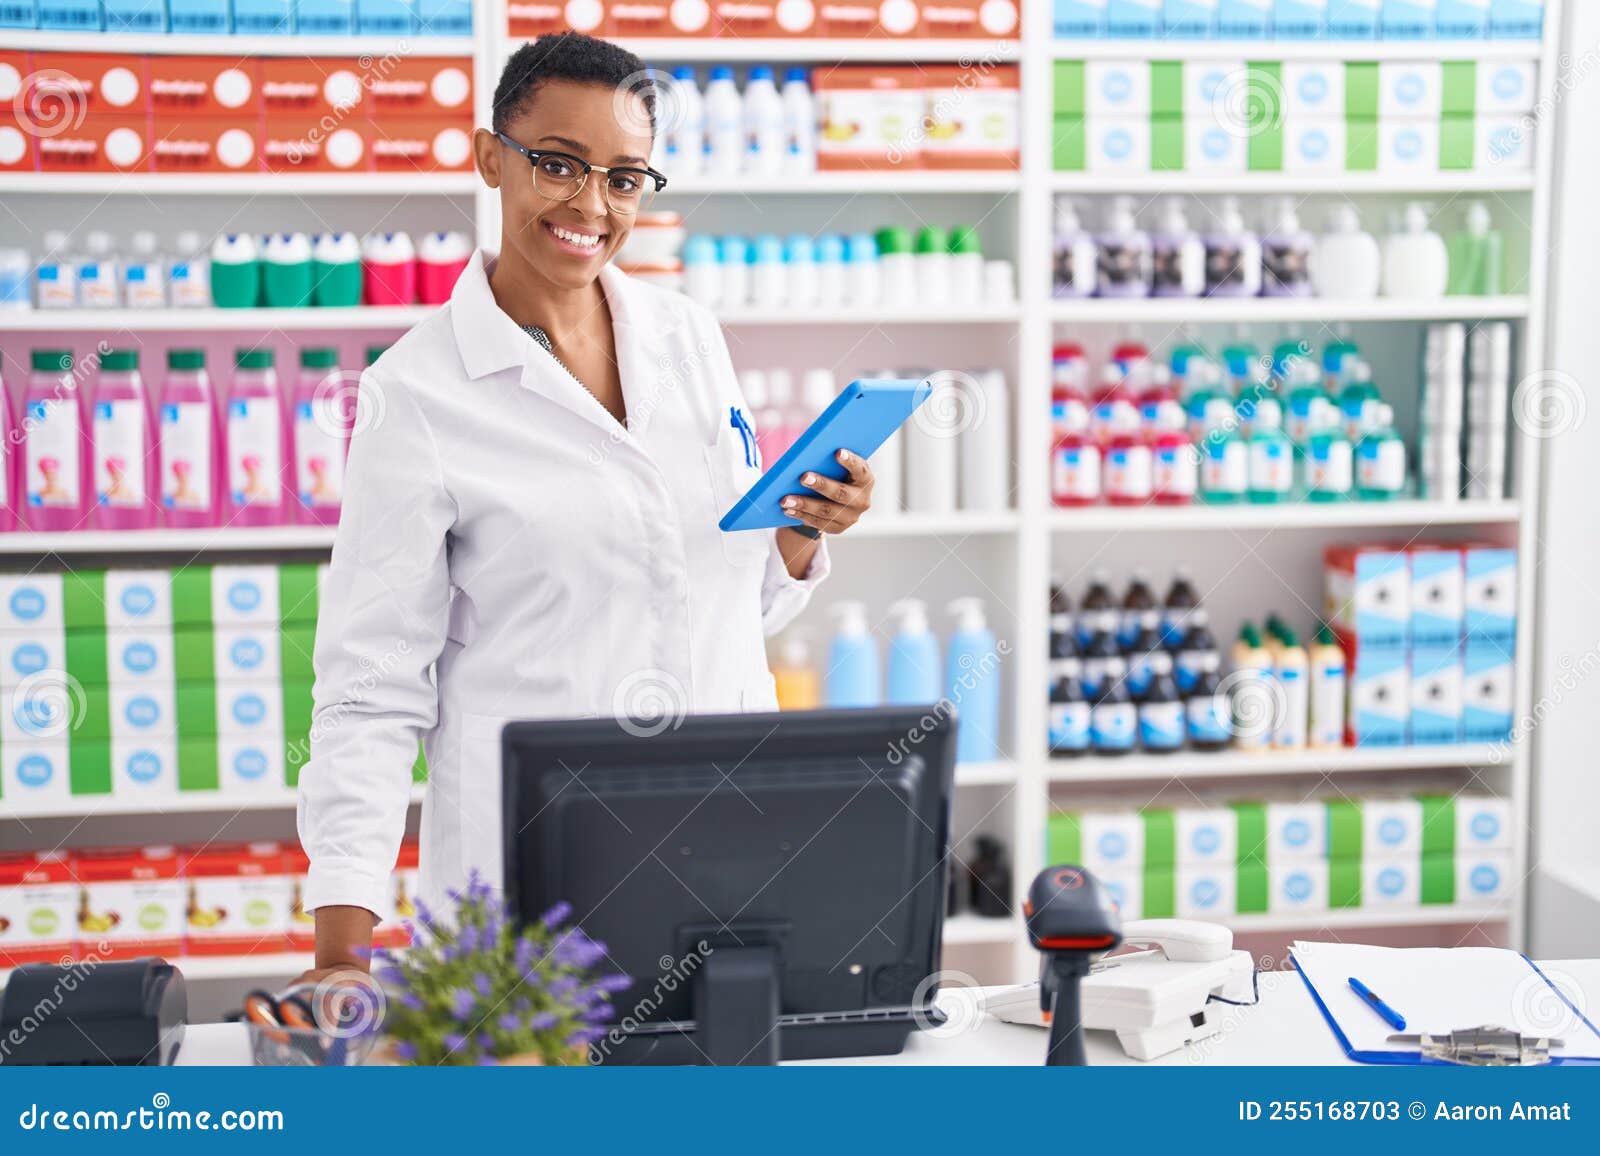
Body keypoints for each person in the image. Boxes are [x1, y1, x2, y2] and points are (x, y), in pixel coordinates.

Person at [294, 33, 875, 985]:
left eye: (624, 177)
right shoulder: (419, 391)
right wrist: (340, 956)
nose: (591, 206)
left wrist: (803, 529)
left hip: (724, 851)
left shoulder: (689, 336)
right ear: (491, 159)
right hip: (528, 876)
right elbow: (369, 687)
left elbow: (728, 597)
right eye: (558, 166)